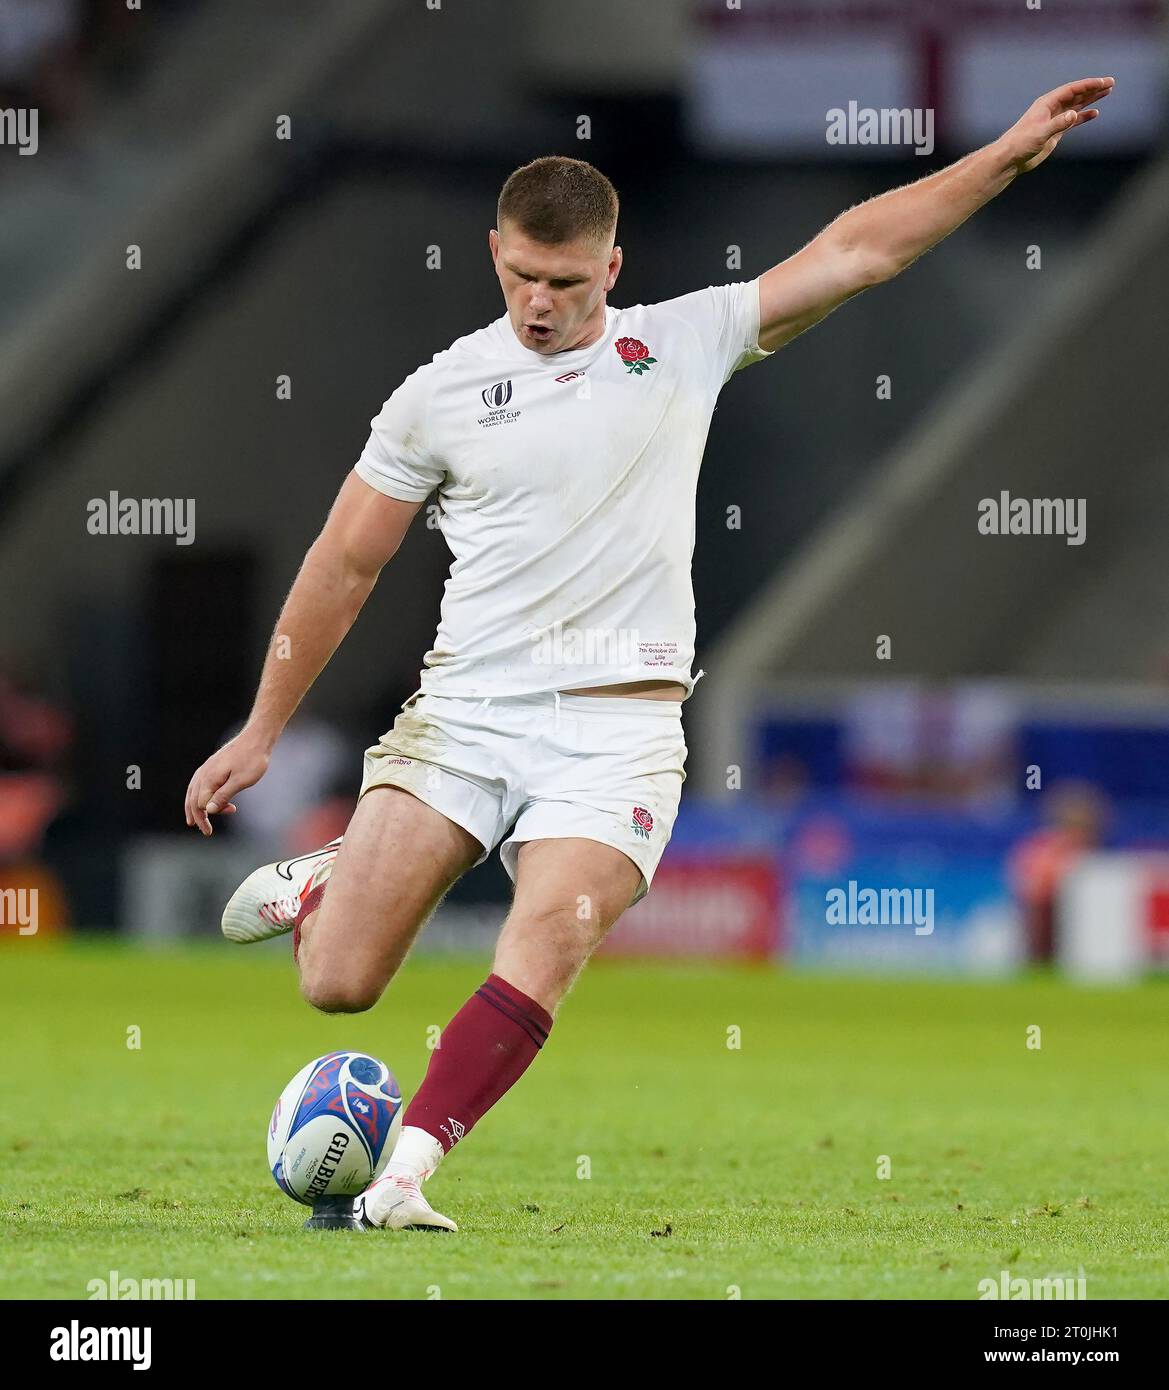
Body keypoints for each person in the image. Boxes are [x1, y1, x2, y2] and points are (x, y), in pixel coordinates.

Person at [184, 78, 1114, 1232]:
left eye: (565, 283)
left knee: (553, 934)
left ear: (611, 269)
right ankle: (333, 874)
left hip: (618, 733)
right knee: (337, 983)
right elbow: (340, 564)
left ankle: (407, 1171)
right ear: (493, 254)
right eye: (520, 276)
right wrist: (263, 727)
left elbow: (859, 249)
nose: (538, 303)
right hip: (469, 711)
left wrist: (1005, 158)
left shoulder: (680, 344)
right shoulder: (437, 397)